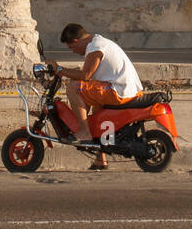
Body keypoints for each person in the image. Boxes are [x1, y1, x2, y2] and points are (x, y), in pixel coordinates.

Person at [48, 25, 144, 171]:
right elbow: (85, 73)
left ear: (76, 40)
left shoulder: (95, 48)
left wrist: (60, 70)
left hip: (118, 91)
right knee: (96, 115)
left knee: (74, 88)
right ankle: (101, 159)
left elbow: (85, 76)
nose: (73, 51)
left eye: (71, 47)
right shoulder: (97, 43)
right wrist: (62, 71)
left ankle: (83, 132)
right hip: (125, 89)